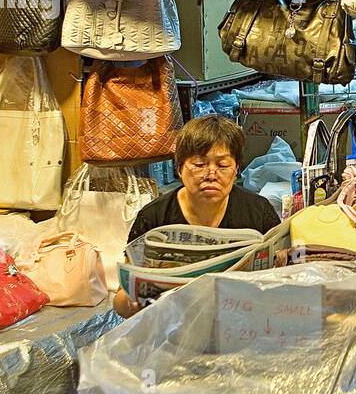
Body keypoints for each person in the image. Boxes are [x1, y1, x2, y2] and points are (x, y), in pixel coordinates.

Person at [113, 115, 281, 317]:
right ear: (179, 169)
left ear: (236, 169)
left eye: (222, 165)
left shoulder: (258, 211)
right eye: (200, 164)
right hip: (173, 325)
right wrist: (131, 304)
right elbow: (121, 298)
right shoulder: (153, 217)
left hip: (240, 322)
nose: (211, 174)